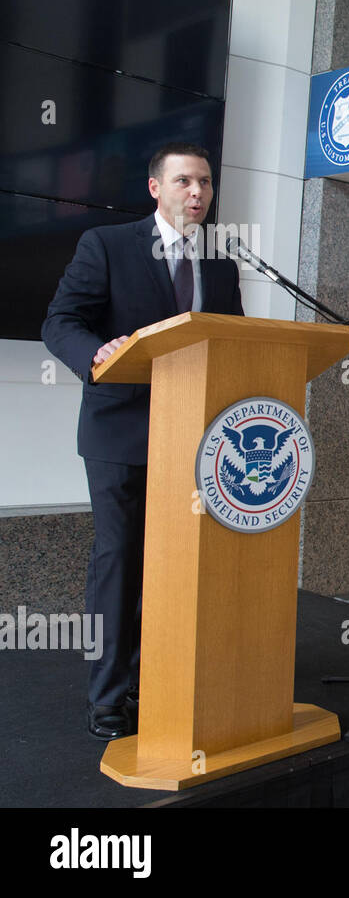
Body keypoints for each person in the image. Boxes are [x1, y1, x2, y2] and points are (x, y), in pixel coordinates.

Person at [42, 142, 245, 740]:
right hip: (121, 432)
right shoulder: (105, 245)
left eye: (205, 182)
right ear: (156, 188)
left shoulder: (222, 264)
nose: (198, 193)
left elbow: (227, 343)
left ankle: (161, 678)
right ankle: (108, 693)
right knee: (121, 560)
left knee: (180, 565)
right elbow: (61, 322)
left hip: (197, 437)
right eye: (184, 181)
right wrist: (96, 354)